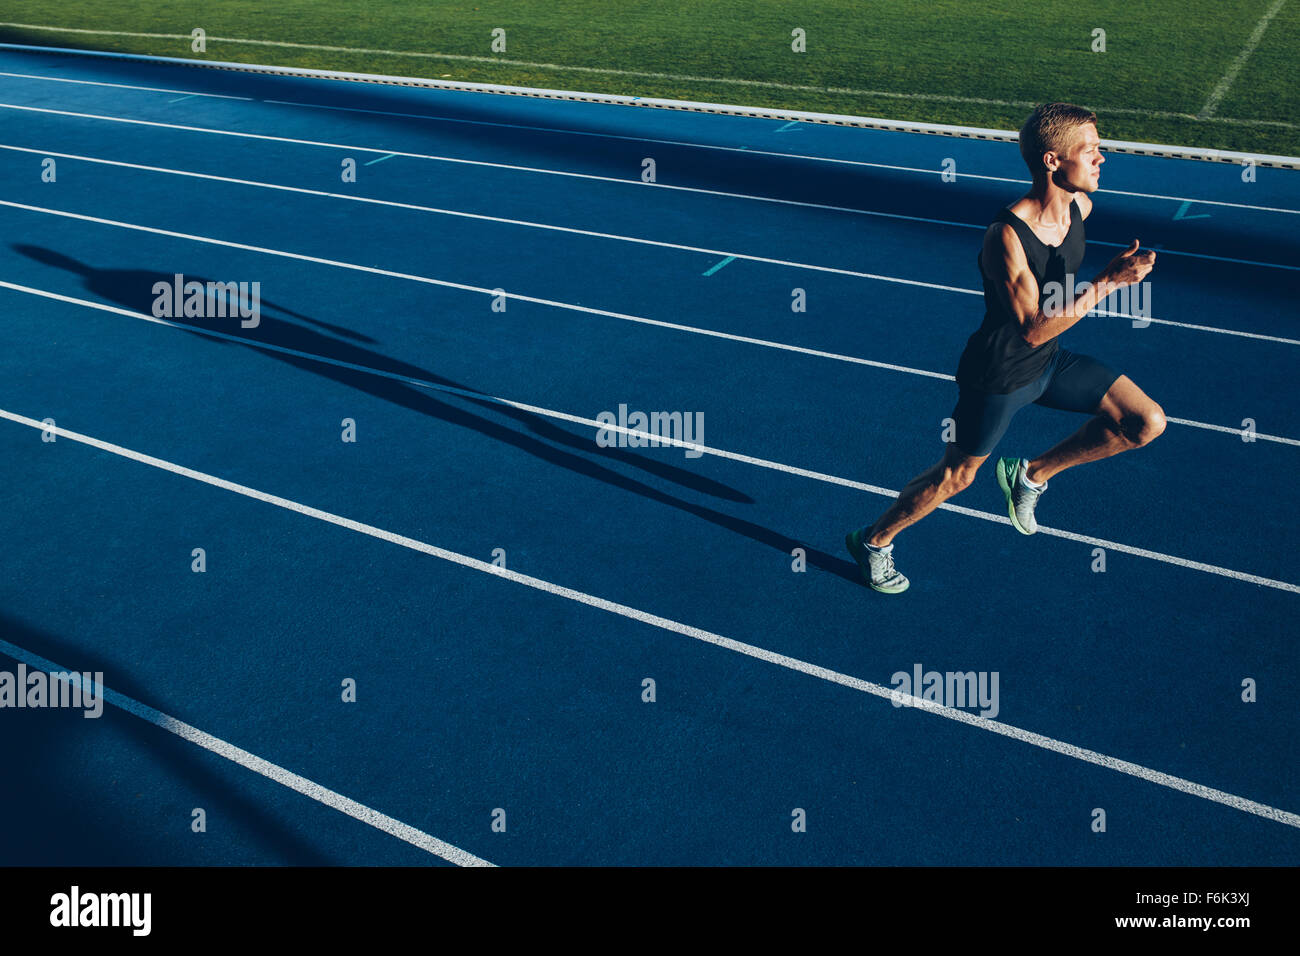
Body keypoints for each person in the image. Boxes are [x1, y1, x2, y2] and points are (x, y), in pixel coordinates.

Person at [847, 102, 1164, 593]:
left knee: (1145, 422)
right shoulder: (1006, 236)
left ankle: (1032, 475)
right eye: (1091, 151)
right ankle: (874, 541)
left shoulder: (1081, 208)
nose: (1102, 159)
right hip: (999, 373)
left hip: (1050, 362)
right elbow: (1032, 328)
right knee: (956, 477)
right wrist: (1108, 281)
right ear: (1052, 161)